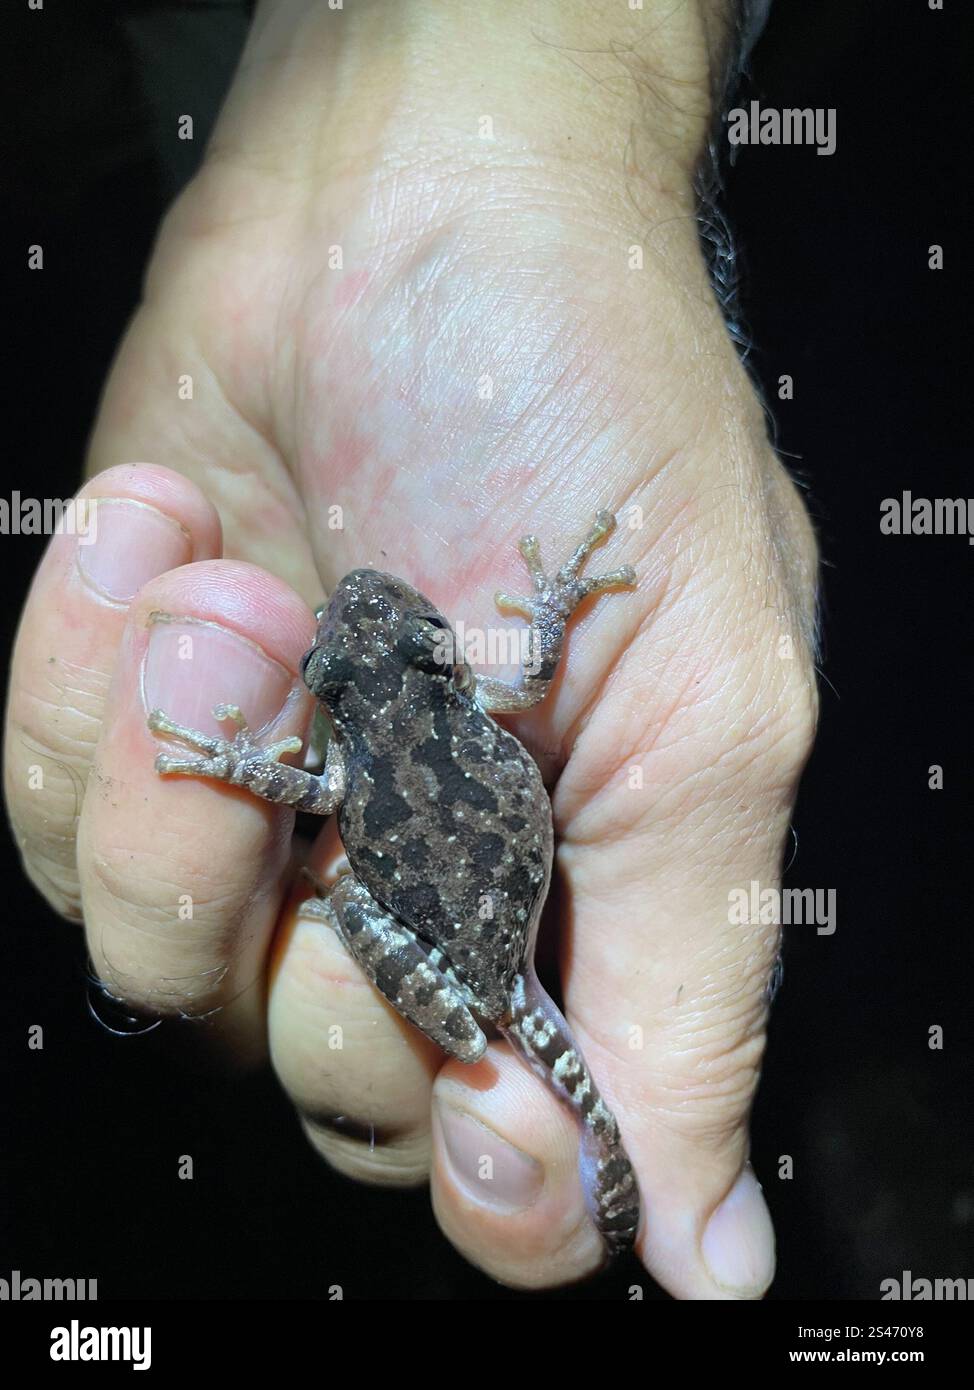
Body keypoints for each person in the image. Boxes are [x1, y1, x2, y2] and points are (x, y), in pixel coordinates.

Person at [5, 0, 815, 1297]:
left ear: (422, 659)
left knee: (329, 914)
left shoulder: (346, 759)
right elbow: (522, 672)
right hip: (481, 928)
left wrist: (221, 752)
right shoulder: (465, 697)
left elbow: (295, 778)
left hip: (465, 928)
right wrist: (553, 599)